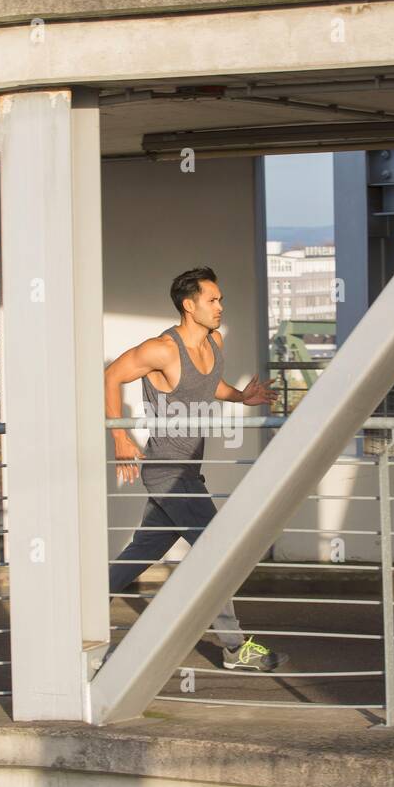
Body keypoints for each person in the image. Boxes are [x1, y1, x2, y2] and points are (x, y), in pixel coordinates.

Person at [104, 266, 287, 671]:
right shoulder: (162, 350)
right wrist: (119, 436)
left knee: (140, 553)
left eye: (220, 299)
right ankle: (235, 647)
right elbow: (112, 375)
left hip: (188, 471)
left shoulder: (214, 342)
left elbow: (210, 385)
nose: (220, 306)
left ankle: (81, 609)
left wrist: (240, 396)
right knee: (215, 550)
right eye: (213, 300)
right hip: (166, 470)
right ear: (190, 306)